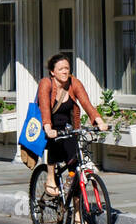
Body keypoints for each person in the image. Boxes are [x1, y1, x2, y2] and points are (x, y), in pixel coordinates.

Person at [37, 53, 106, 197]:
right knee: (54, 142)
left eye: (67, 68)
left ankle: (77, 215)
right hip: (51, 125)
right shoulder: (46, 83)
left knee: (75, 167)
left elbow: (86, 103)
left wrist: (99, 121)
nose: (65, 71)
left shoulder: (74, 83)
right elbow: (44, 106)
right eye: (61, 69)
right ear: (52, 72)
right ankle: (50, 177)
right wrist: (48, 127)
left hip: (69, 127)